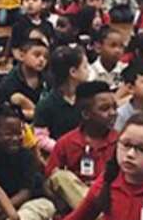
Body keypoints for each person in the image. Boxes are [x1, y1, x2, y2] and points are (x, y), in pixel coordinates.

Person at [45, 82, 118, 212]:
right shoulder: (66, 142)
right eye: (105, 109)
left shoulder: (121, 142)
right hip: (77, 198)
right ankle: (99, 219)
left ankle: (92, 217)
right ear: (86, 114)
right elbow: (50, 182)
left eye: (114, 108)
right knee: (60, 176)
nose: (113, 113)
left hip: (109, 196)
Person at [34, 43, 91, 140]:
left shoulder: (88, 97)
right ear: (73, 72)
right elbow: (41, 138)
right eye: (85, 67)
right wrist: (62, 149)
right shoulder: (46, 105)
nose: (89, 70)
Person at [0, 33, 49, 121]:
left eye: (45, 57)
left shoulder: (48, 79)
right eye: (37, 55)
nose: (42, 60)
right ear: (22, 56)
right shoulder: (10, 80)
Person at [88, 25, 128, 91]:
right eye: (113, 45)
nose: (118, 50)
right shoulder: (89, 73)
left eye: (121, 46)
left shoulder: (126, 70)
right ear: (98, 48)